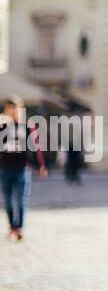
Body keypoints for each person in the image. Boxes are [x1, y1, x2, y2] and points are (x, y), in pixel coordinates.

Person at [2, 98, 48, 241]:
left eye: (15, 108)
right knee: (8, 200)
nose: (13, 111)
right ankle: (12, 227)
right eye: (10, 108)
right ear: (6, 110)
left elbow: (35, 147)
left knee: (21, 200)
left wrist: (40, 165)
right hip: (5, 168)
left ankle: (19, 227)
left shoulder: (27, 125)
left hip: (22, 168)